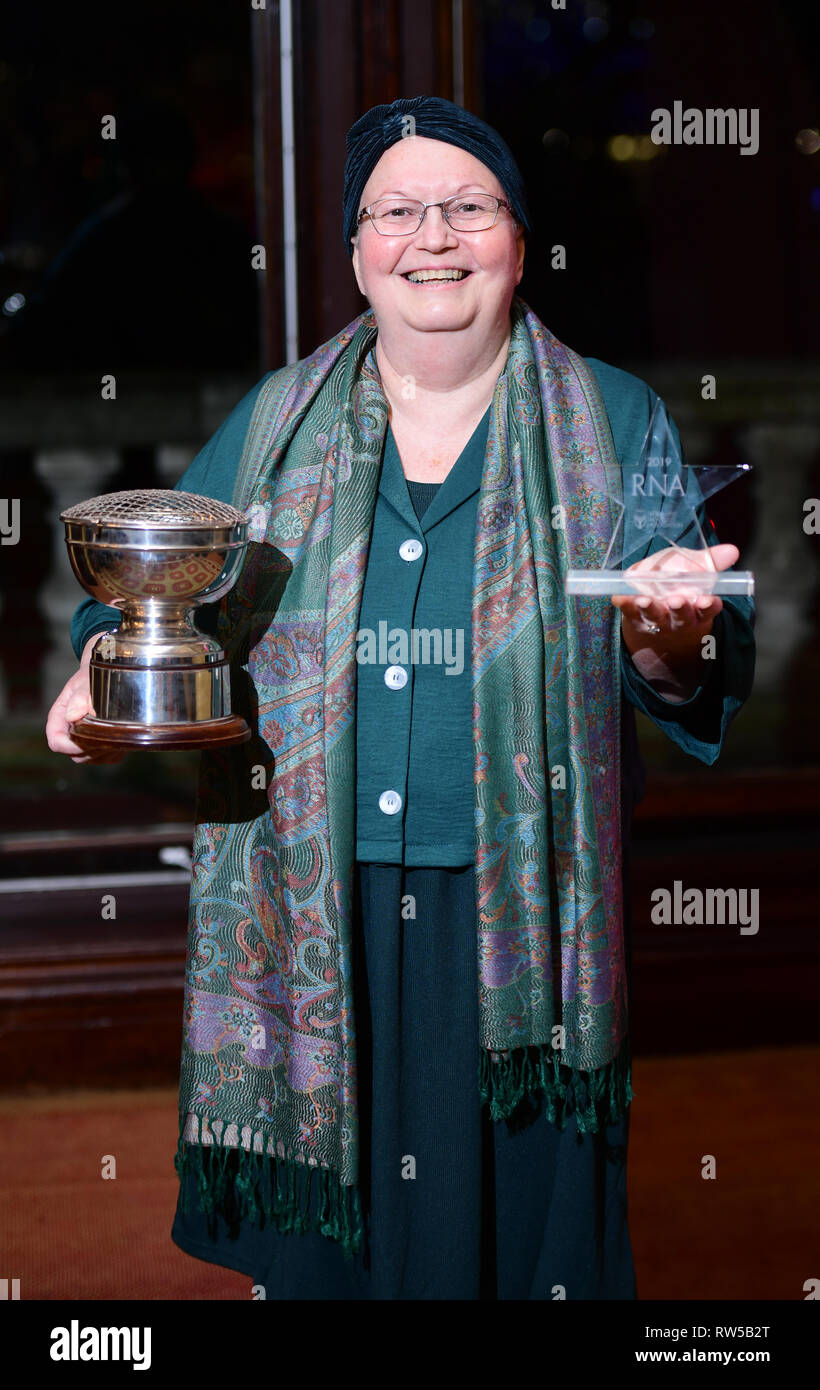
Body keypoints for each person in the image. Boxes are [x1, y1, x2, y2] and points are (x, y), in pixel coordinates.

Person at [47, 95, 755, 1300]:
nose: (434, 236)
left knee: (509, 1237)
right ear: (359, 251)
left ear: (517, 241)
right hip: (316, 905)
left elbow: (674, 672)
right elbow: (158, 590)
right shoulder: (275, 423)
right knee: (343, 1256)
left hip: (520, 913)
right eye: (397, 212)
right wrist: (102, 660)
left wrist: (667, 637)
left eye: (468, 207)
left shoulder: (614, 416)